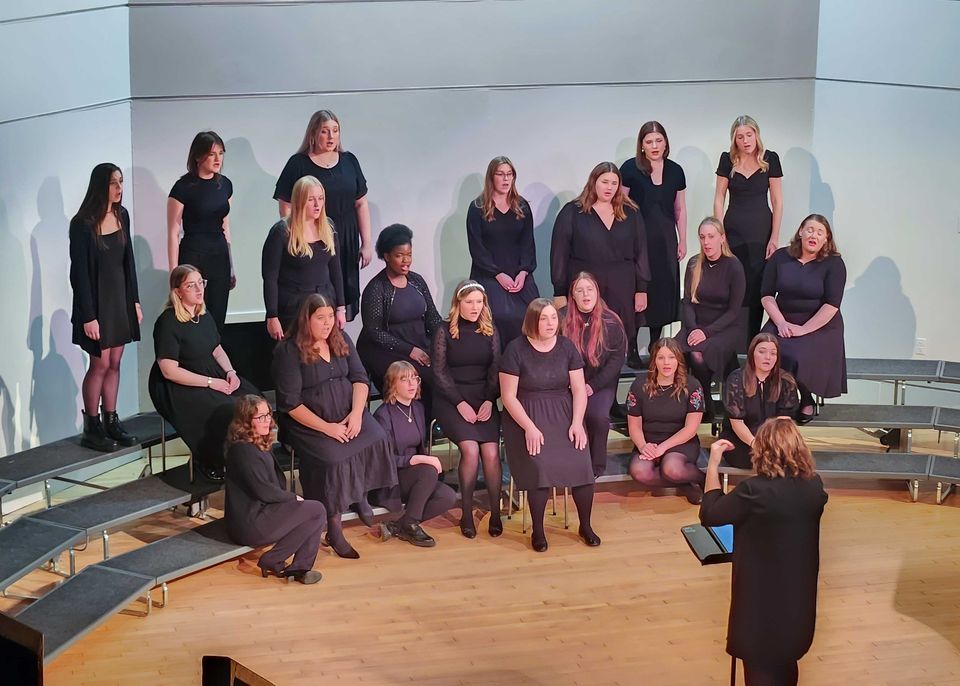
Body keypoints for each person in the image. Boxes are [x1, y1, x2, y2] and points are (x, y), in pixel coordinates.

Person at [701, 419, 828, 685]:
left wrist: (713, 464)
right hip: (797, 599)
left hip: (761, 604)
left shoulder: (754, 491)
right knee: (786, 661)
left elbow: (711, 513)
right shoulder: (814, 487)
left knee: (759, 662)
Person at [272, 294, 396, 560]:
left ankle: (359, 493)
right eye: (321, 318)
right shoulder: (289, 351)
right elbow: (290, 404)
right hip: (309, 424)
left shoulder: (340, 338)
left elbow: (360, 378)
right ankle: (334, 528)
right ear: (306, 320)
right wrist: (328, 429)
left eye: (330, 316)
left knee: (376, 436)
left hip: (346, 412)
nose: (328, 323)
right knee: (334, 458)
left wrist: (357, 414)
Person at [499, 299, 598, 552]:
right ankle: (539, 531)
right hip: (526, 416)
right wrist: (529, 428)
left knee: (581, 465)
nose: (550, 323)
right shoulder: (515, 349)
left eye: (553, 317)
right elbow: (508, 396)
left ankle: (585, 525)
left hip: (564, 414)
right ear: (532, 321)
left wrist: (577, 423)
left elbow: (578, 389)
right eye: (544, 318)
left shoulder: (566, 347)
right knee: (539, 469)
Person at [148, 265, 258, 481]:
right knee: (224, 410)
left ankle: (245, 460)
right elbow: (169, 370)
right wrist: (210, 382)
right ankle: (209, 460)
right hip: (177, 383)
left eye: (201, 283)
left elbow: (216, 349)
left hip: (209, 372)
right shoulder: (168, 322)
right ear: (178, 292)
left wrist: (230, 372)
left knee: (252, 400)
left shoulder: (204, 316)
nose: (199, 289)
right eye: (191, 285)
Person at [69, 163, 142, 451]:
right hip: (97, 304)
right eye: (114, 183)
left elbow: (129, 263)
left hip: (120, 300)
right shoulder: (83, 223)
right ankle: (92, 425)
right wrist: (89, 316)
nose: (119, 188)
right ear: (101, 186)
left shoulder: (121, 214)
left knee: (115, 362)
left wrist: (134, 300)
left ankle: (112, 420)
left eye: (121, 182)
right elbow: (79, 274)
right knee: (99, 364)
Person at [274, 110, 371, 320]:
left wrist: (367, 242)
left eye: (335, 131)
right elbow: (286, 204)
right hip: (314, 239)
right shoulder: (298, 163)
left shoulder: (349, 161)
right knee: (318, 299)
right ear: (313, 134)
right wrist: (296, 236)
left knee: (342, 295)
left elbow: (361, 203)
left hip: (345, 237)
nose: (331, 137)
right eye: (325, 132)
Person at [551, 162, 650, 369]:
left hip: (622, 282)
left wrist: (642, 288)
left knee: (618, 334)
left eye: (614, 183)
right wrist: (559, 291)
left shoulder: (630, 212)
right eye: (605, 181)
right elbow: (559, 253)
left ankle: (618, 378)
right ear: (593, 181)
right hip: (586, 280)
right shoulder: (573, 212)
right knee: (587, 336)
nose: (609, 187)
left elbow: (641, 251)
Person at [224, 395, 325, 585]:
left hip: (263, 512)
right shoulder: (243, 451)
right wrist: (293, 498)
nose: (267, 420)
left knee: (314, 513)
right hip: (250, 522)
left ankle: (297, 568)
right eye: (260, 417)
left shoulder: (259, 442)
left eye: (268, 415)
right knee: (316, 510)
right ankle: (276, 561)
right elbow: (264, 491)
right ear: (246, 420)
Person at [432, 280, 503, 538]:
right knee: (471, 450)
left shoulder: (490, 330)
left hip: (482, 398)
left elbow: (496, 369)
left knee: (492, 453)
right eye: (469, 302)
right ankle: (466, 513)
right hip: (452, 399)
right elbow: (439, 372)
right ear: (458, 303)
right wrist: (460, 403)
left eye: (478, 302)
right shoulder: (443, 330)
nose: (474, 307)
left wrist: (488, 400)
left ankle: (495, 512)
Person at [760, 214, 847, 422]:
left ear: (826, 239)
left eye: (819, 232)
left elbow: (831, 305)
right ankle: (771, 401)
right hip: (783, 318)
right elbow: (766, 295)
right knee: (763, 347)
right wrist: (780, 322)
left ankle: (806, 398)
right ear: (800, 232)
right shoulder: (780, 257)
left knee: (797, 354)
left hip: (820, 324)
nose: (813, 235)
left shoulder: (834, 263)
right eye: (809, 230)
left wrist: (804, 329)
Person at [356, 224, 442, 408]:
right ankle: (415, 429)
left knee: (445, 371)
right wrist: (410, 350)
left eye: (409, 254)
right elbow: (374, 332)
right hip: (388, 351)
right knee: (422, 378)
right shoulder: (376, 289)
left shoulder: (417, 281)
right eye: (399, 255)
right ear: (386, 256)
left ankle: (435, 427)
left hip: (419, 345)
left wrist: (445, 339)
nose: (406, 260)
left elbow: (433, 317)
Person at [713, 115, 783, 340]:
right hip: (733, 231)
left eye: (749, 135)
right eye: (740, 136)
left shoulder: (770, 159)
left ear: (757, 134)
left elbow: (778, 202)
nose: (745, 140)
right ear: (734, 139)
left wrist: (774, 237)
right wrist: (719, 235)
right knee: (733, 283)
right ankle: (731, 342)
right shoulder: (727, 160)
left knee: (756, 286)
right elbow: (718, 199)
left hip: (761, 232)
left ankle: (752, 341)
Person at [373, 361, 457, 547]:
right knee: (428, 470)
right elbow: (383, 460)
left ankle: (401, 524)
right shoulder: (383, 415)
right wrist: (418, 459)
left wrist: (421, 459)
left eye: (414, 378)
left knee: (447, 497)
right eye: (404, 379)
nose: (412, 384)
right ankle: (410, 525)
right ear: (392, 385)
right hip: (392, 477)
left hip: (416, 476)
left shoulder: (417, 408)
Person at [619, 121, 688, 344]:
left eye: (659, 140)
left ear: (666, 142)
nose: (655, 145)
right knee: (638, 290)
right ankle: (630, 348)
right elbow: (619, 207)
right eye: (649, 141)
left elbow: (680, 208)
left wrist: (683, 240)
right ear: (641, 145)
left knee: (661, 291)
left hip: (666, 240)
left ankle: (655, 344)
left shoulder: (676, 170)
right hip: (637, 240)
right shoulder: (630, 169)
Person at [674, 217, 746, 419]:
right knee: (671, 351)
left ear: (722, 238)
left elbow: (734, 311)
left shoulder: (734, 266)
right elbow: (687, 302)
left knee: (697, 354)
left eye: (711, 237)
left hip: (724, 327)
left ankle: (705, 400)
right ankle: (677, 404)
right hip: (695, 324)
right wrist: (694, 328)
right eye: (702, 237)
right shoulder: (694, 264)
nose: (706, 242)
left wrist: (705, 332)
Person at [466, 156, 539, 348]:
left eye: (510, 174)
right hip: (489, 274)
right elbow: (477, 249)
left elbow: (528, 244)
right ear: (491, 177)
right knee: (500, 317)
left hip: (519, 274)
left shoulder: (521, 206)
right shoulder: (477, 208)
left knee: (533, 314)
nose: (506, 179)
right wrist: (498, 275)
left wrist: (523, 272)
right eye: (500, 174)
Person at [262, 175, 345, 339]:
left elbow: (336, 270)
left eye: (320, 199)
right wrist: (272, 316)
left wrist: (340, 308)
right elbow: (270, 277)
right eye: (311, 200)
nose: (317, 205)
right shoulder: (282, 232)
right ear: (299, 201)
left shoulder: (328, 227)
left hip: (324, 304)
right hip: (293, 308)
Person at [561, 272, 627, 478]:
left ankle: (595, 466)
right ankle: (572, 463)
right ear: (573, 295)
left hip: (601, 383)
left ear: (597, 292)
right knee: (566, 415)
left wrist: (592, 386)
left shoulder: (611, 322)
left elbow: (616, 362)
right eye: (579, 290)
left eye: (590, 289)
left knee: (597, 416)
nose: (585, 294)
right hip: (569, 383)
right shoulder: (561, 318)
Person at [167, 131, 233, 333]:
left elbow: (226, 226)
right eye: (212, 154)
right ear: (198, 156)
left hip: (219, 256)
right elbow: (173, 231)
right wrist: (174, 274)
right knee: (194, 319)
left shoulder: (225, 185)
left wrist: (231, 265)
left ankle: (214, 363)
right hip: (193, 257)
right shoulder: (183, 188)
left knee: (217, 319)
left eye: (221, 153)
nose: (217, 159)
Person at [626, 337, 705, 504]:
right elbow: (634, 426)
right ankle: (685, 485)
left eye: (671, 357)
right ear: (654, 360)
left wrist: (662, 448)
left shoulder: (692, 385)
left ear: (679, 360)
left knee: (673, 469)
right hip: (649, 441)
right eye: (661, 357)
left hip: (681, 442)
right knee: (639, 472)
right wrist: (643, 446)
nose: (666, 363)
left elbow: (690, 429)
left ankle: (705, 479)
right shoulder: (639, 385)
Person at [720, 333, 799, 468]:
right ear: (752, 354)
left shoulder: (786, 381)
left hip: (774, 437)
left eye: (773, 353)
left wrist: (772, 444)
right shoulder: (737, 379)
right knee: (752, 460)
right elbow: (737, 422)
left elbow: (783, 421)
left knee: (783, 458)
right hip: (742, 438)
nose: (768, 357)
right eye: (762, 352)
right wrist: (756, 444)